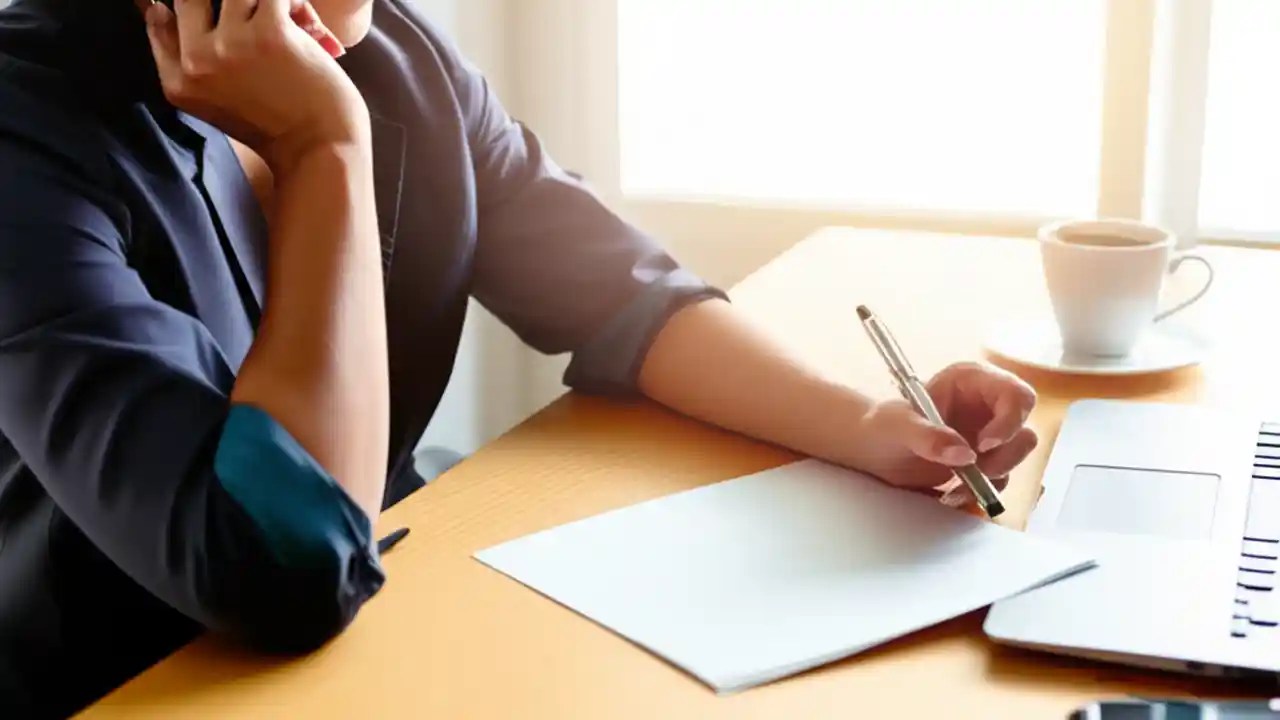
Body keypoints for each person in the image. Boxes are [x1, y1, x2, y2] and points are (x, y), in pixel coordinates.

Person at [0, 0, 1039, 715]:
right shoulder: (26, 134)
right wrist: (326, 150)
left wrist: (864, 424)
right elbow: (284, 563)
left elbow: (618, 291)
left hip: (386, 638)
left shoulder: (394, 55)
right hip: (140, 681)